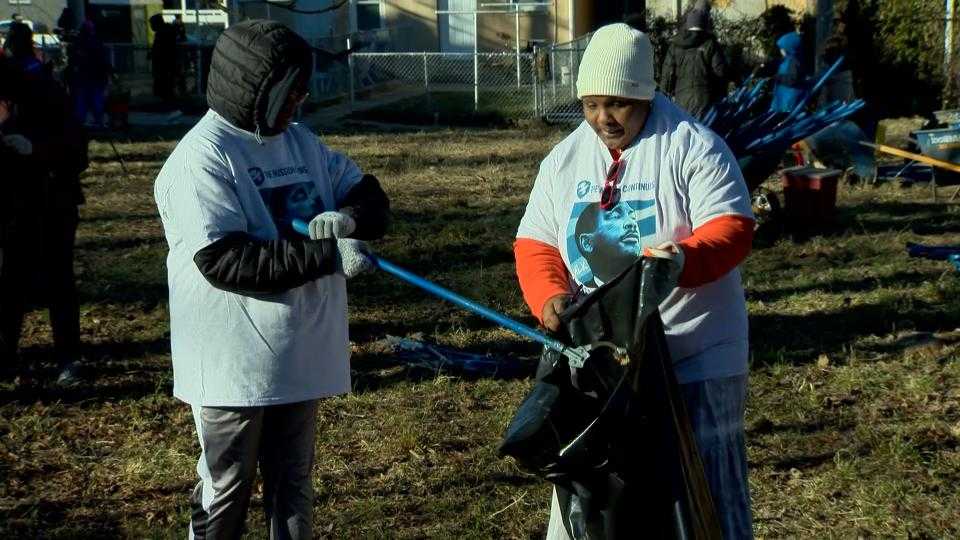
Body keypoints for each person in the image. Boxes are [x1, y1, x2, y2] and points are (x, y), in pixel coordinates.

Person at [514, 23, 755, 539]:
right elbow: (536, 242)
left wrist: (680, 260)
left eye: (617, 104)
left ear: (645, 95)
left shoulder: (693, 147)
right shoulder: (564, 160)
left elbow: (732, 229)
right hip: (604, 357)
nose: (602, 118)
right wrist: (549, 296)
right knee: (595, 489)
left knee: (704, 489)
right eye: (590, 104)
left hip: (694, 352)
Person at [153, 20, 390, 538]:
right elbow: (227, 261)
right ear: (253, 88)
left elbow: (370, 196)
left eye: (301, 89)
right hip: (233, 362)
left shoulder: (301, 142)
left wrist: (349, 218)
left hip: (300, 354)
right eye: (290, 90)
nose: (299, 101)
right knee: (228, 486)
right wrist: (326, 256)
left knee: (292, 483)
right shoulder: (202, 157)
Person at [0, 34, 88, 386]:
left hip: (53, 201)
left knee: (58, 280)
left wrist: (34, 148)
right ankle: (5, 357)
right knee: (9, 281)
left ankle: (68, 358)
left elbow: (77, 150)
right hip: (10, 206)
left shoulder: (46, 92)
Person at [660, 0, 729, 118]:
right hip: (705, 99)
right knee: (703, 129)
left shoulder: (675, 45)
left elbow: (667, 75)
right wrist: (720, 95)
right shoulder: (710, 44)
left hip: (681, 98)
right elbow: (720, 72)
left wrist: (664, 96)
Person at [66, 20, 111, 127]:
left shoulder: (78, 44)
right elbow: (103, 61)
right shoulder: (97, 43)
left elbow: (73, 60)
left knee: (81, 100)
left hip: (83, 76)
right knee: (96, 99)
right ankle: (98, 120)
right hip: (95, 76)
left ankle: (80, 122)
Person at [770, 31, 806, 113]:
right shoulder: (788, 60)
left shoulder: (793, 62)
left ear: (789, 49)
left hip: (789, 100)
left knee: (784, 117)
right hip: (784, 98)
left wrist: (778, 77)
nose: (780, 51)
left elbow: (792, 79)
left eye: (782, 49)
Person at [149, 14, 178, 109]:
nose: (151, 26)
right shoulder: (167, 31)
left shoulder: (162, 33)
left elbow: (159, 49)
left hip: (164, 64)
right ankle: (168, 101)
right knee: (167, 83)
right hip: (166, 63)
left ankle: (167, 102)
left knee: (165, 83)